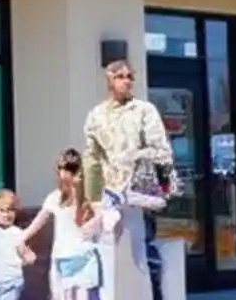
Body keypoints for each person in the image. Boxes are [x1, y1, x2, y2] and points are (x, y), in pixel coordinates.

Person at [82, 58, 173, 299]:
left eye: (130, 76)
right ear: (109, 79)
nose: (127, 81)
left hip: (140, 193)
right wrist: (92, 200)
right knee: (108, 257)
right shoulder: (96, 115)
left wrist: (131, 157)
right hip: (110, 196)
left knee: (144, 254)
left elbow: (162, 151)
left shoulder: (144, 110)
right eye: (121, 76)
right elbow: (91, 159)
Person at [18, 149, 104, 299]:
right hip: (63, 257)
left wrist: (94, 221)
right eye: (62, 170)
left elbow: (93, 218)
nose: (66, 175)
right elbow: (35, 225)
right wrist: (19, 240)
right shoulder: (54, 198)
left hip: (83, 256)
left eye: (71, 170)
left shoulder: (88, 197)